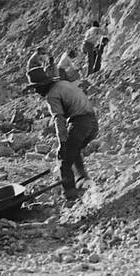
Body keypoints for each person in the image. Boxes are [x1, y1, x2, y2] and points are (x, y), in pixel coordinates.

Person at [25, 65, 97, 202]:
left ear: (42, 85)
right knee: (74, 152)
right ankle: (84, 181)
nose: (35, 91)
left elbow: (59, 120)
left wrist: (61, 143)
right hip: (93, 123)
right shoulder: (64, 84)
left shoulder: (51, 95)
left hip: (80, 123)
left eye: (36, 88)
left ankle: (71, 196)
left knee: (64, 158)